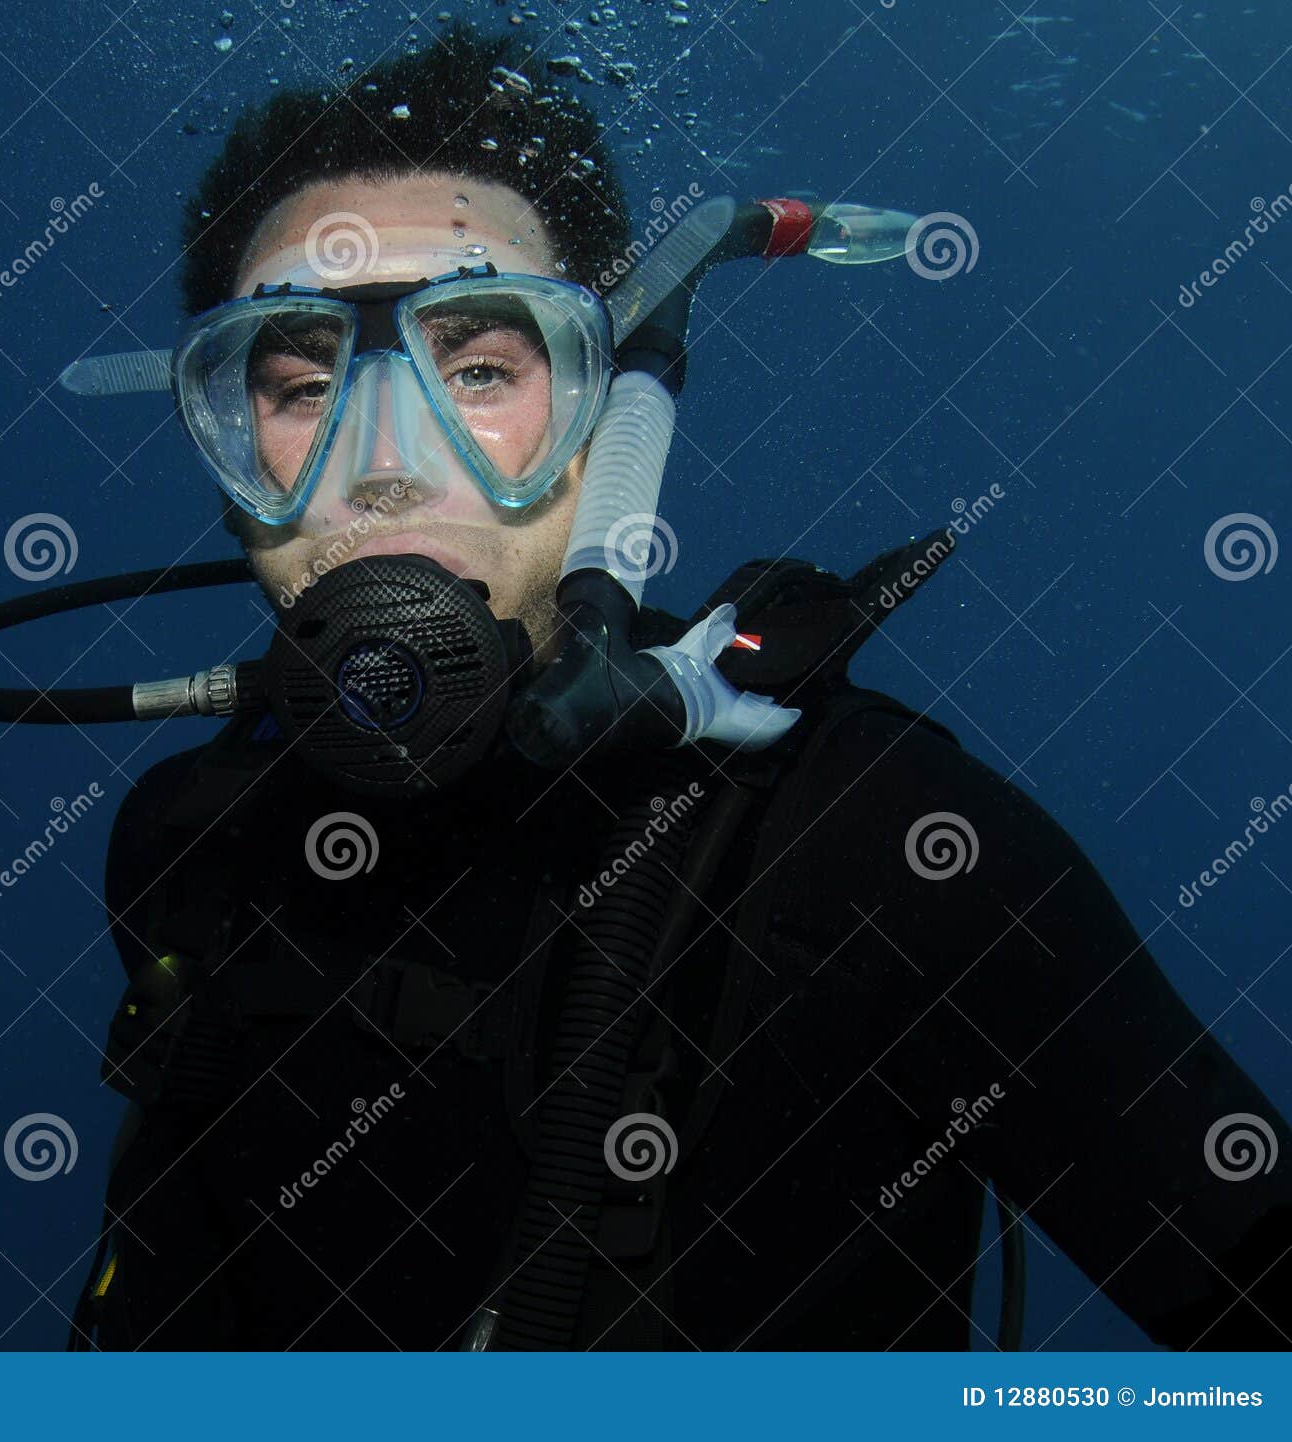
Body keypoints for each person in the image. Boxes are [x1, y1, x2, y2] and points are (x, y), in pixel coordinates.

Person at [67, 22, 1292, 1351]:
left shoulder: (884, 849)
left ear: (609, 411)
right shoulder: (190, 844)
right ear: (227, 442)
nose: (382, 463)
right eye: (300, 384)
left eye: (477, 369)